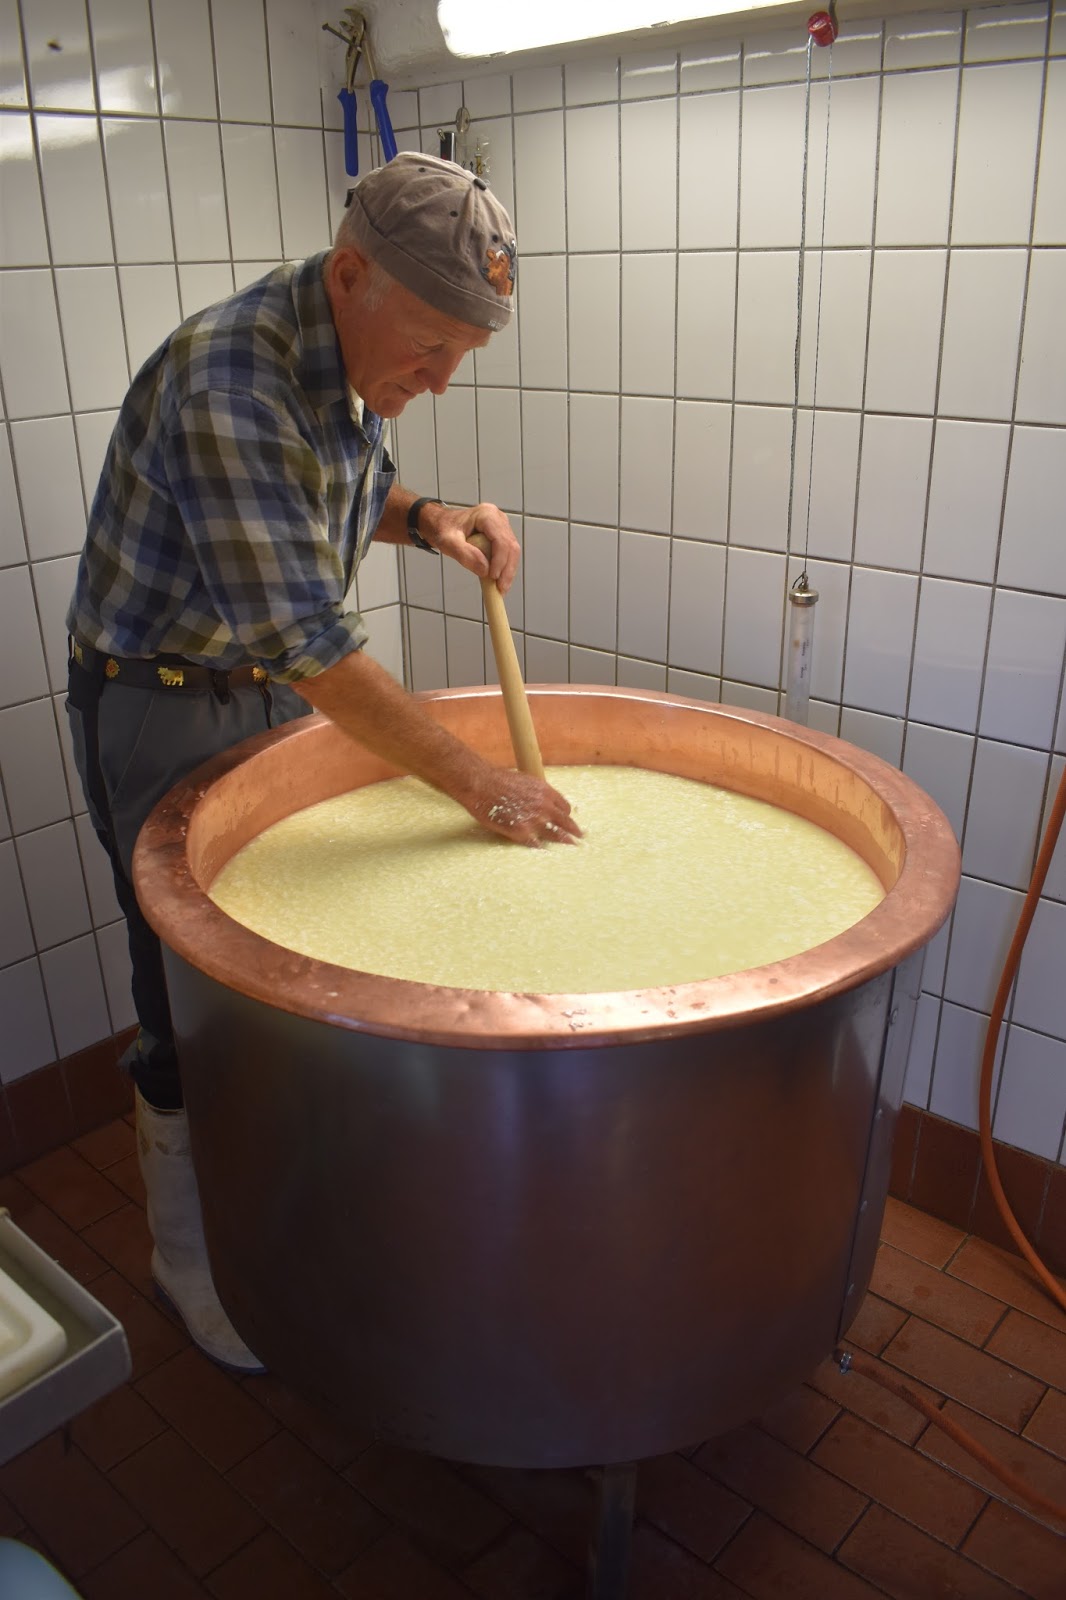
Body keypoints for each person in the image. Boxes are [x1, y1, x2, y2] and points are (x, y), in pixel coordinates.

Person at [65, 153, 580, 1373]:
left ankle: (301, 1210)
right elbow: (311, 647)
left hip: (259, 689)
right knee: (185, 986)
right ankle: (188, 1257)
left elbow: (354, 483)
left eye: (462, 355)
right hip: (166, 704)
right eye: (433, 348)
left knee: (291, 963)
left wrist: (434, 517)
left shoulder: (345, 359)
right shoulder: (227, 387)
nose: (440, 381)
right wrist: (483, 781)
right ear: (351, 274)